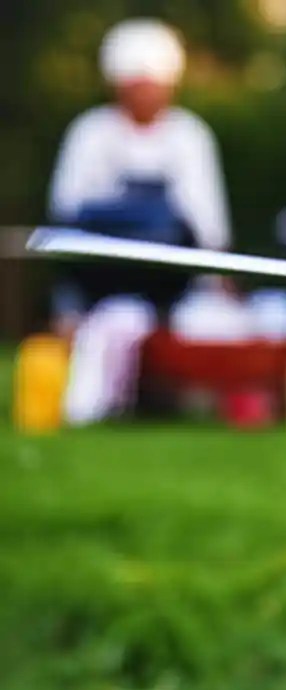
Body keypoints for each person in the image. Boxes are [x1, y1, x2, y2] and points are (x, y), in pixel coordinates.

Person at [47, 19, 233, 425]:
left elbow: (209, 225)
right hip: (106, 288)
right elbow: (67, 221)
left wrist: (221, 282)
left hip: (180, 289)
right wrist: (70, 306)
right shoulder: (91, 135)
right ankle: (94, 410)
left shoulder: (189, 136)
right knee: (114, 327)